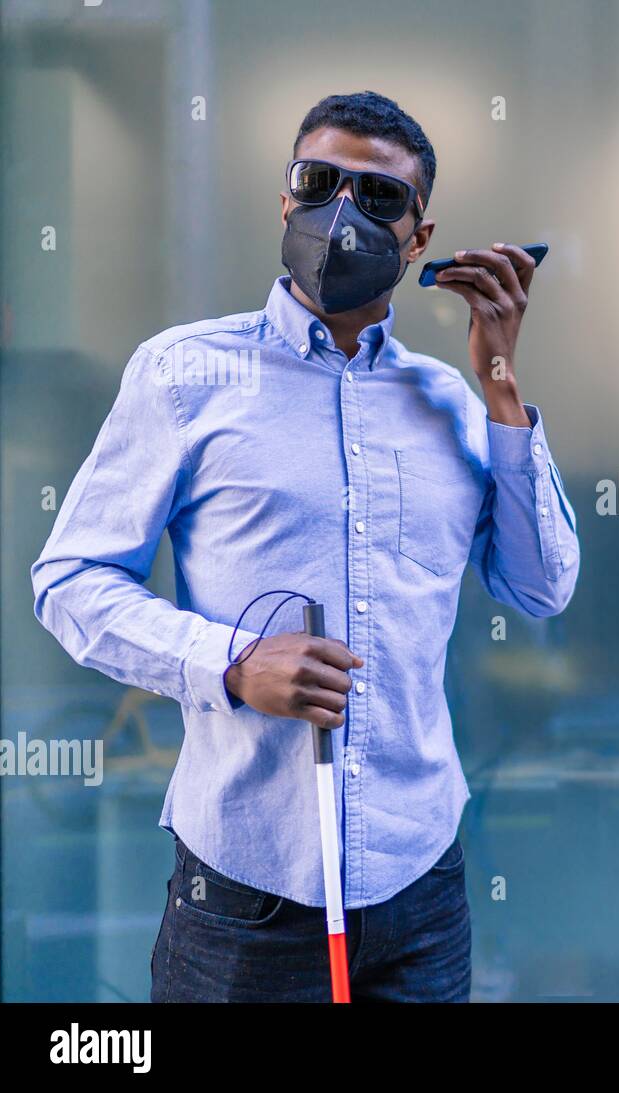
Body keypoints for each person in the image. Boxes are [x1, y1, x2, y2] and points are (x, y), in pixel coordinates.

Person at [31, 91, 579, 1002]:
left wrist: (501, 384)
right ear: (285, 202)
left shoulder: (454, 399)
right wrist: (232, 661)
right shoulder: (185, 372)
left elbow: (542, 585)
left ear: (419, 237)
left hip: (421, 883)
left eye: (378, 197)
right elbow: (70, 580)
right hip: (246, 891)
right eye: (317, 182)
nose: (341, 213)